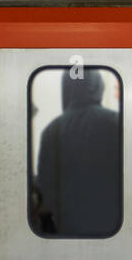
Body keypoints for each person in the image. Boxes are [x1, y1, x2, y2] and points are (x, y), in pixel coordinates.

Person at [35, 68, 121, 236]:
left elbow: (46, 187)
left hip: (68, 227)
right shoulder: (117, 123)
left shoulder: (51, 131)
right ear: (99, 87)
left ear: (66, 88)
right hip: (114, 225)